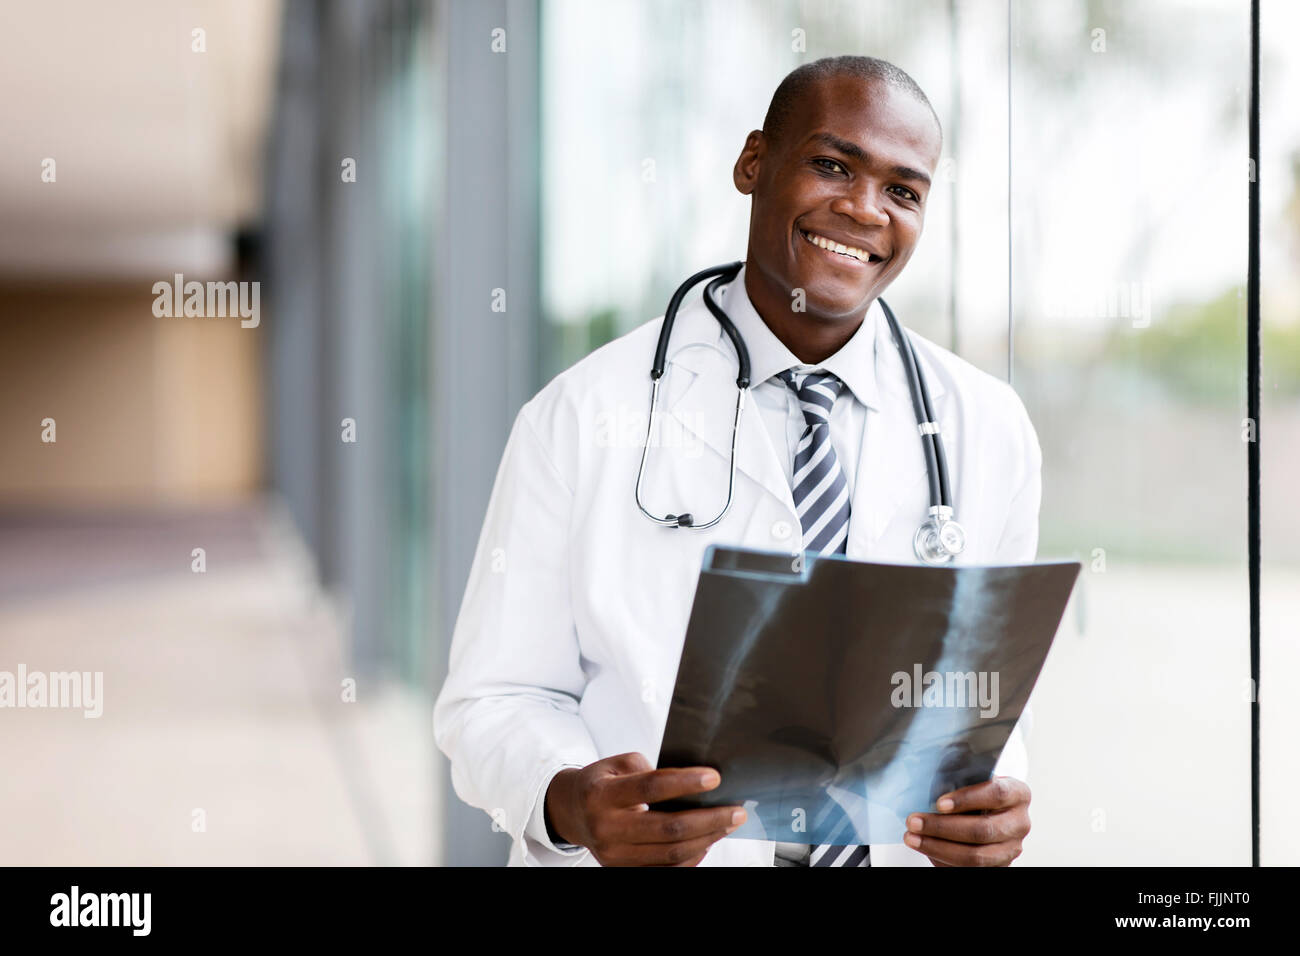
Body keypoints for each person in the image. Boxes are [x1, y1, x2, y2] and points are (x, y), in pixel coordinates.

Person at [434, 55, 1040, 867]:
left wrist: (991, 808)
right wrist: (571, 799)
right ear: (754, 163)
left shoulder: (986, 428)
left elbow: (984, 710)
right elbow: (492, 700)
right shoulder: (580, 414)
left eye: (904, 190)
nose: (864, 209)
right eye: (832, 165)